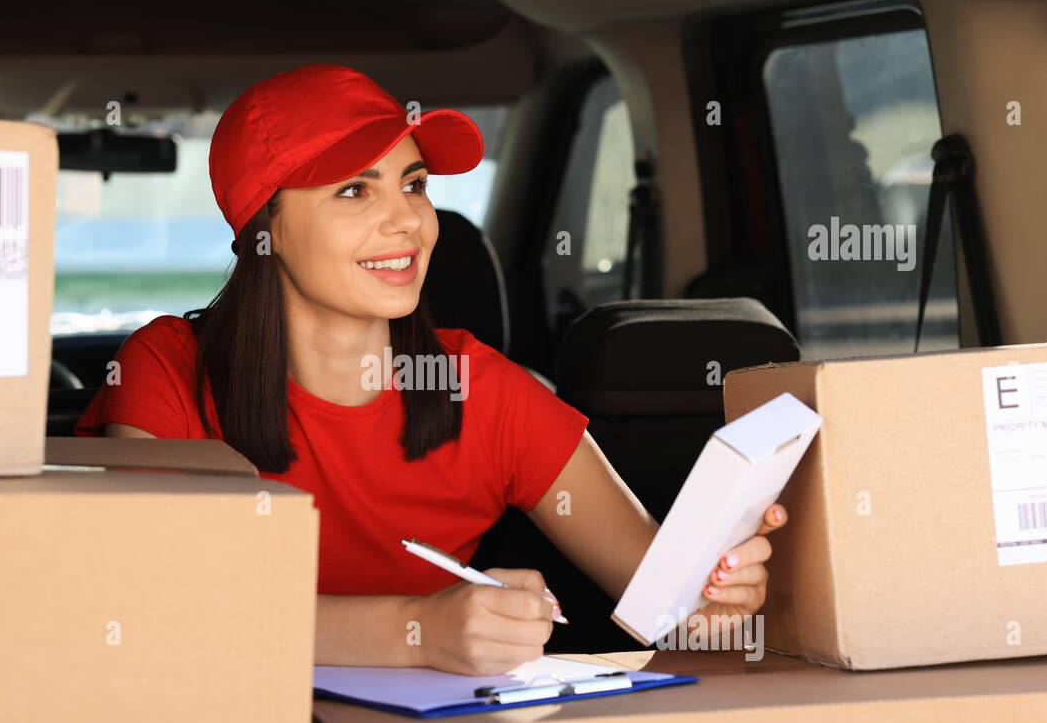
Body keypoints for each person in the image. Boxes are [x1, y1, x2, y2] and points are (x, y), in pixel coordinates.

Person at [73, 63, 788, 674]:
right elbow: (153, 608)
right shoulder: (164, 371)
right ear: (266, 230)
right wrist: (417, 630)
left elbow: (667, 606)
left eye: (413, 183)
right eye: (356, 190)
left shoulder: (481, 389)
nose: (410, 221)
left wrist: (716, 598)